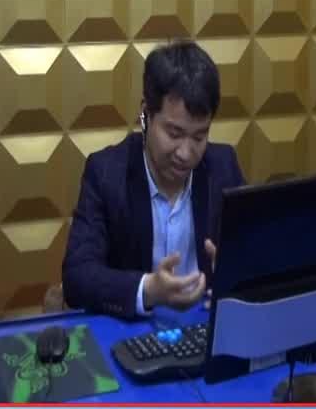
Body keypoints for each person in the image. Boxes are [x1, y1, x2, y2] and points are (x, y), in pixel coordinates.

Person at [61, 39, 245, 319]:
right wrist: (147, 290)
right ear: (146, 115)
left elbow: (256, 253)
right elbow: (77, 276)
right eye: (174, 134)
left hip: (204, 323)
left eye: (199, 136)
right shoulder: (106, 173)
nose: (186, 153)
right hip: (133, 328)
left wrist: (236, 271)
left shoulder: (223, 167)